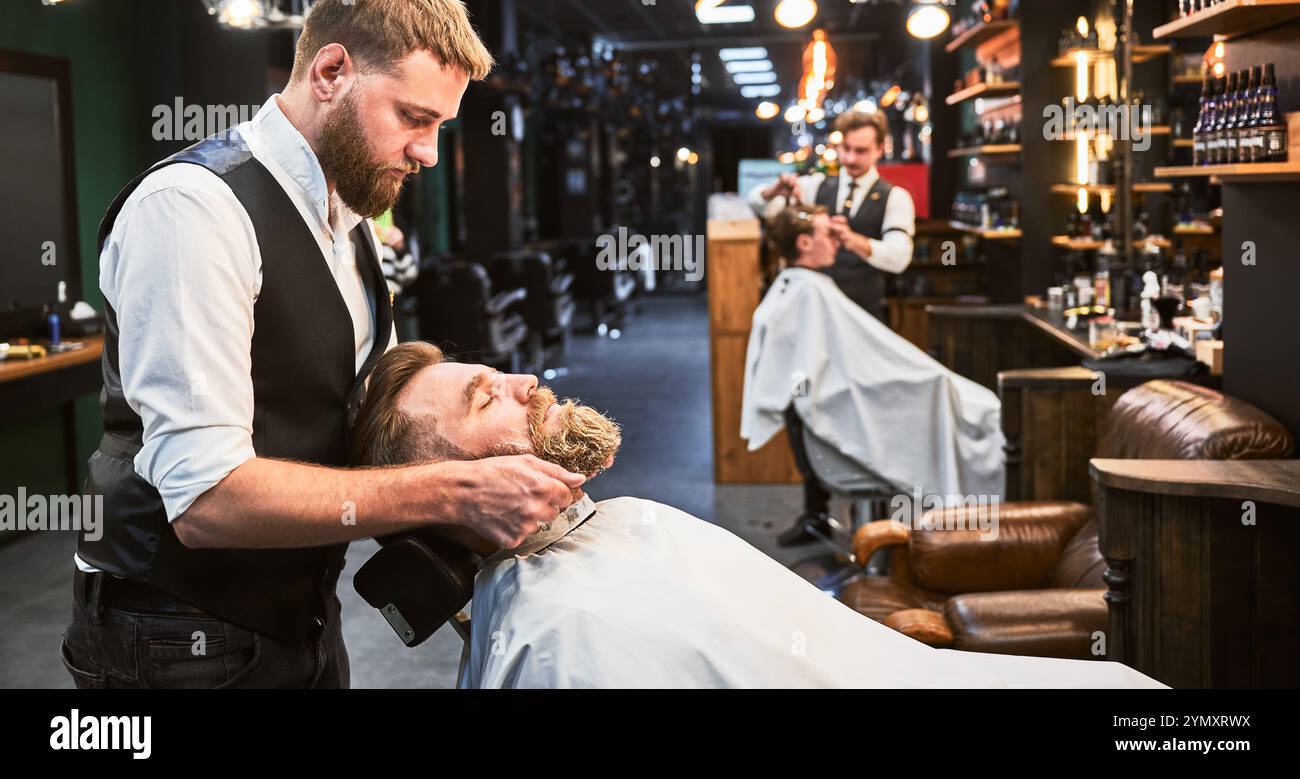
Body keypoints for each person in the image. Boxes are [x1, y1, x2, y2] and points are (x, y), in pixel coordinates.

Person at [63, 0, 591, 690]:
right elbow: (207, 499)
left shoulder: (351, 223)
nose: (428, 151)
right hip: (175, 628)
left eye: (440, 124)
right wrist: (459, 492)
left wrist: (509, 418)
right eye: (414, 117)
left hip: (301, 605)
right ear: (331, 71)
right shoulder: (193, 211)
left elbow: (348, 404)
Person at [351, 341, 1162, 689]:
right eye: (486, 396)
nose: (526, 380)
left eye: (500, 371)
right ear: (444, 484)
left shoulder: (621, 520)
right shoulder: (560, 634)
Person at [741, 206, 1004, 545]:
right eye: (828, 234)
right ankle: (970, 522)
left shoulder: (794, 288)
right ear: (804, 243)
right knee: (975, 406)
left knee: (959, 396)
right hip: (855, 401)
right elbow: (824, 380)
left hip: (855, 372)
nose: (836, 241)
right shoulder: (807, 292)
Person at [747, 108, 915, 319]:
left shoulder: (895, 198)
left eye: (861, 150)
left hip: (863, 313)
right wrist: (772, 192)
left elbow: (899, 258)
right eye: (846, 148)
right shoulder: (815, 186)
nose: (850, 158)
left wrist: (853, 240)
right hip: (814, 311)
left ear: (880, 149)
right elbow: (760, 205)